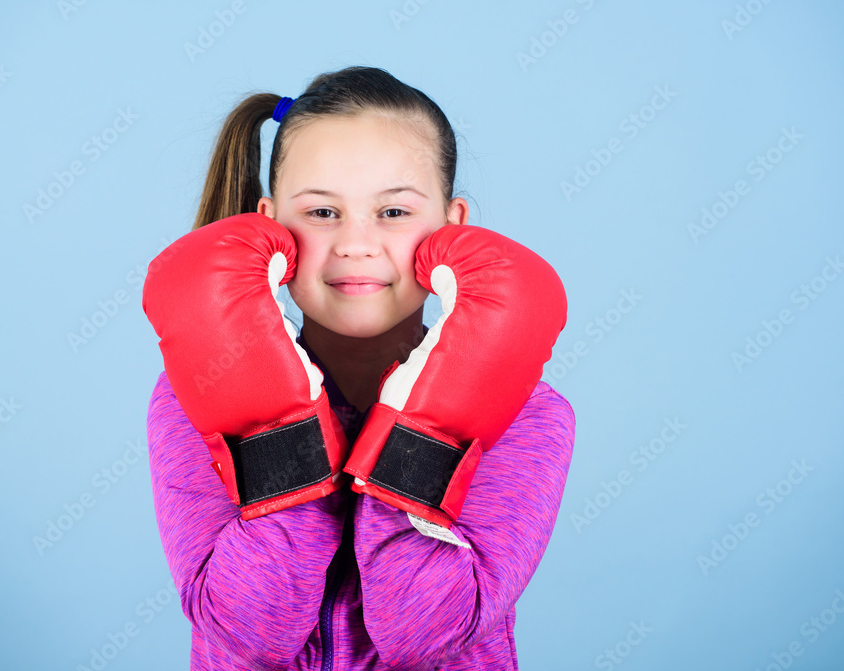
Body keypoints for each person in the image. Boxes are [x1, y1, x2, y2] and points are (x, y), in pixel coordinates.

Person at [142, 66, 576, 670]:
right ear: (270, 226)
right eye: (322, 213)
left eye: (393, 213)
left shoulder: (527, 414)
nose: (356, 244)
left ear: (451, 230)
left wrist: (421, 438)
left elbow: (425, 633)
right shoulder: (194, 393)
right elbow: (248, 632)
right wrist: (279, 433)